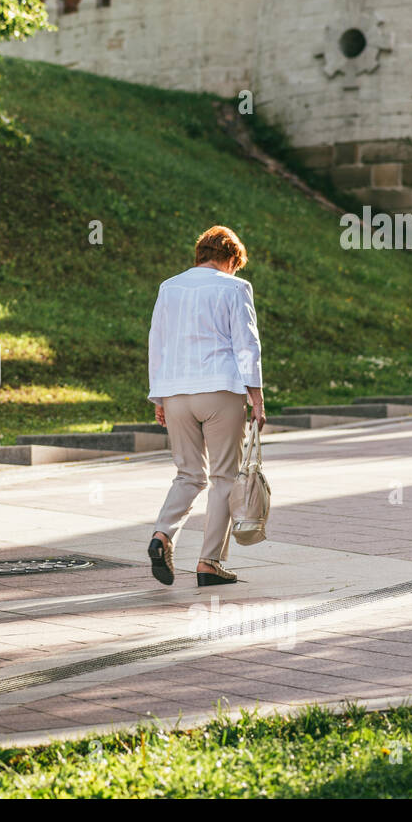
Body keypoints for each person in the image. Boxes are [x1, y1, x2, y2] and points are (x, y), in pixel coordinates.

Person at [146, 225, 265, 588]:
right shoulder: (234, 288)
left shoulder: (170, 287)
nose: (235, 271)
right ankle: (208, 563)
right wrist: (256, 397)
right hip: (220, 389)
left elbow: (158, 343)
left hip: (177, 392)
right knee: (223, 478)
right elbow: (246, 343)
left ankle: (162, 535)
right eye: (235, 264)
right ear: (230, 258)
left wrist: (159, 396)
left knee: (188, 474)